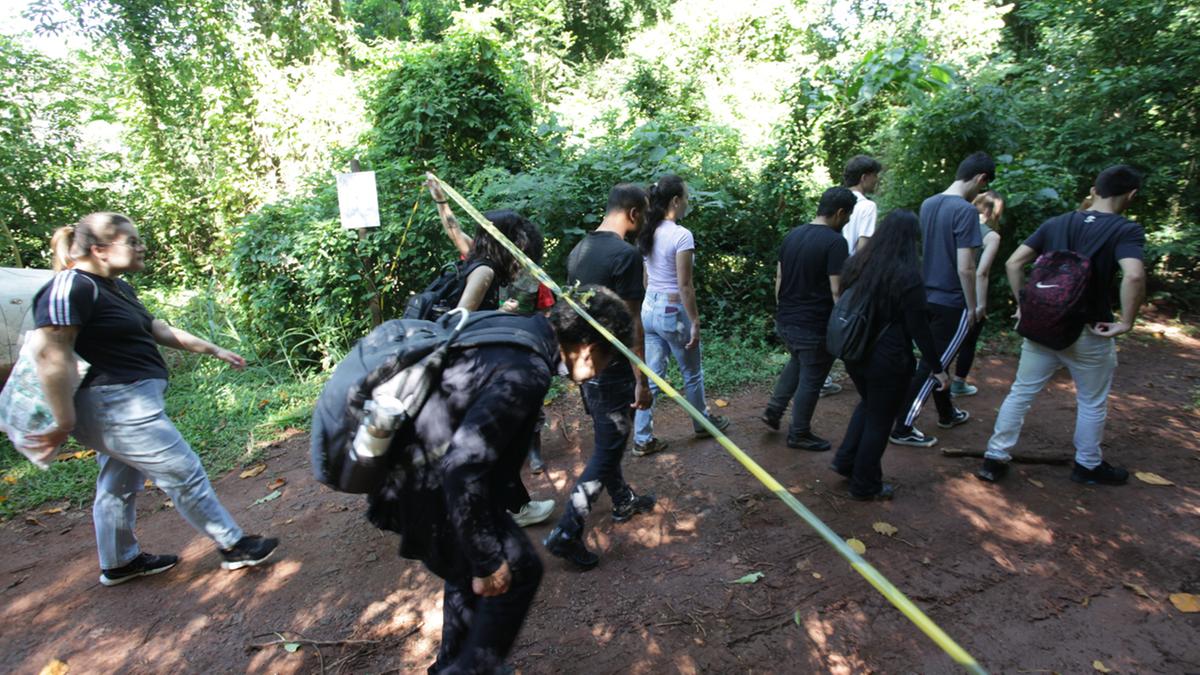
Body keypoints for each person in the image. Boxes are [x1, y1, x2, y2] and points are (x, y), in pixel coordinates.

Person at [365, 288, 635, 673]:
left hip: (409, 475)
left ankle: (452, 664)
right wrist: (488, 558)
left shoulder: (521, 330)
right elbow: (462, 467)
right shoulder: (527, 371)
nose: (604, 369)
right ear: (590, 349)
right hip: (424, 487)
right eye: (609, 359)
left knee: (466, 568)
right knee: (517, 568)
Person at [28, 213, 278, 586]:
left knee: (117, 482)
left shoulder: (116, 287)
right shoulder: (70, 287)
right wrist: (62, 422)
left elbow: (155, 328)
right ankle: (234, 545)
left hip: (126, 402)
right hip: (113, 405)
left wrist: (212, 348)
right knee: (183, 470)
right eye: (132, 241)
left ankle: (119, 562)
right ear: (99, 249)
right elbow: (51, 353)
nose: (141, 247)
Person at [976, 165, 1147, 485]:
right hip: (1090, 330)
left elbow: (1014, 262)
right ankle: (1087, 465)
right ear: (1131, 195)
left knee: (1021, 392)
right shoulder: (1125, 230)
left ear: (1094, 189)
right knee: (1091, 400)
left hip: (1042, 324)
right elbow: (1134, 275)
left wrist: (1023, 305)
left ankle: (995, 458)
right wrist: (1125, 321)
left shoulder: (1058, 222)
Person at [425, 176, 557, 526]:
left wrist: (441, 201)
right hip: (465, 365)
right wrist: (500, 315)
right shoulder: (483, 272)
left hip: (462, 365)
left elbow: (453, 231)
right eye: (517, 240)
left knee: (488, 443)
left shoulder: (475, 256)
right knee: (495, 441)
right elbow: (460, 321)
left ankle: (509, 505)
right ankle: (502, 510)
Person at [543, 184, 656, 570]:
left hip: (585, 364)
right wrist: (642, 380)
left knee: (608, 440)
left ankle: (622, 499)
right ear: (635, 214)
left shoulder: (579, 251)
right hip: (611, 366)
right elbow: (633, 324)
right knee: (608, 449)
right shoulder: (625, 256)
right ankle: (567, 531)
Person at [831, 210, 949, 500]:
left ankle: (846, 461)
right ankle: (865, 485)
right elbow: (919, 327)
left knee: (869, 405)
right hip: (889, 359)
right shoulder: (907, 275)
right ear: (911, 239)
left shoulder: (857, 263)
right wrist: (937, 368)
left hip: (854, 350)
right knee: (880, 420)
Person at [889, 152, 994, 448]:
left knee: (938, 357)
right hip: (952, 300)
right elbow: (966, 266)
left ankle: (947, 412)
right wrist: (972, 307)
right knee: (933, 364)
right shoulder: (965, 211)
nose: (980, 193)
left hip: (925, 294)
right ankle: (903, 426)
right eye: (982, 188)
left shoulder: (929, 203)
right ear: (980, 178)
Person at [630, 174, 730, 456]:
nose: (688, 202)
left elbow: (647, 280)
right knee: (692, 373)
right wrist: (695, 321)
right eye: (686, 197)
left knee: (652, 377)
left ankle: (642, 437)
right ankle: (702, 424)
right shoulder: (681, 235)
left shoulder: (648, 231)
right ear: (675, 201)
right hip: (673, 310)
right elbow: (685, 285)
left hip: (649, 308)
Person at [761, 186, 856, 451]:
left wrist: (784, 309)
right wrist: (844, 326)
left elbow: (779, 278)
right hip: (814, 323)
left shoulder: (792, 235)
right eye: (847, 216)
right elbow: (838, 290)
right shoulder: (836, 242)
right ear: (839, 213)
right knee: (813, 377)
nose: (847, 221)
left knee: (797, 362)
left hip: (787, 319)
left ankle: (774, 410)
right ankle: (799, 432)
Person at [951, 191, 1004, 397]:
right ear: (992, 211)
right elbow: (981, 273)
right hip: (970, 294)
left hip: (947, 292)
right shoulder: (991, 236)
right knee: (969, 341)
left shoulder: (957, 225)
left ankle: (937, 381)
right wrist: (980, 305)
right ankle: (958, 383)